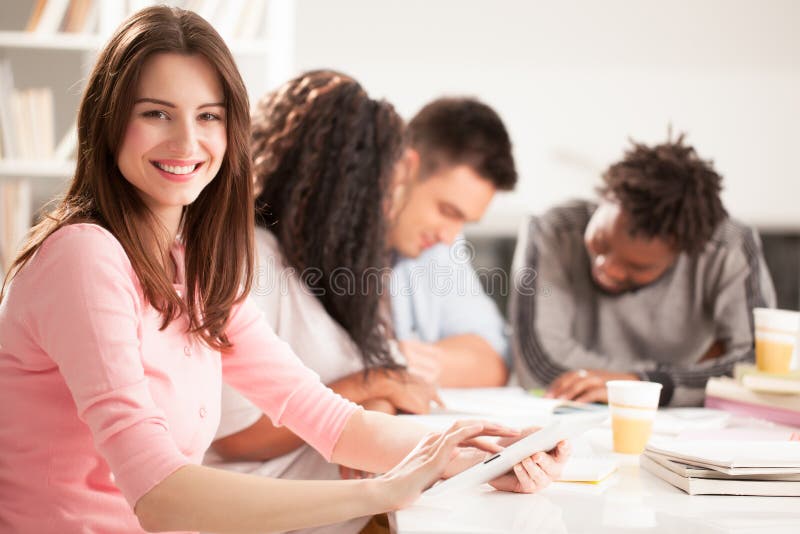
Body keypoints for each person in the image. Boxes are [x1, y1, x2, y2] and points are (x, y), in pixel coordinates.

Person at [0, 7, 570, 533]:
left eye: (208, 117)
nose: (187, 141)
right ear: (107, 122)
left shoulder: (194, 266)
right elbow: (157, 491)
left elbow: (329, 418)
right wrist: (381, 493)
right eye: (156, 114)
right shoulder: (84, 256)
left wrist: (484, 456)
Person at [208, 70, 444, 534]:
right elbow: (233, 437)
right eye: (384, 190)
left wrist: (373, 412)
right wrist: (361, 389)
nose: (388, 208)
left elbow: (396, 386)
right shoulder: (247, 258)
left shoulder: (339, 268)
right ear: (346, 191)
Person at [510, 134, 776, 407]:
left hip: (686, 428)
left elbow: (754, 366)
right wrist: (692, 380)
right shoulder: (551, 231)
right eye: (601, 241)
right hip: (572, 414)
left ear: (687, 254)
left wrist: (642, 383)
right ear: (603, 197)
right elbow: (538, 366)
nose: (606, 268)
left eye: (638, 267)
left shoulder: (728, 247)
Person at [389, 97, 518, 388]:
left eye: (463, 222)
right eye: (447, 211)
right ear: (404, 169)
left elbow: (496, 357)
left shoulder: (437, 248)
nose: (449, 237)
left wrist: (416, 365)